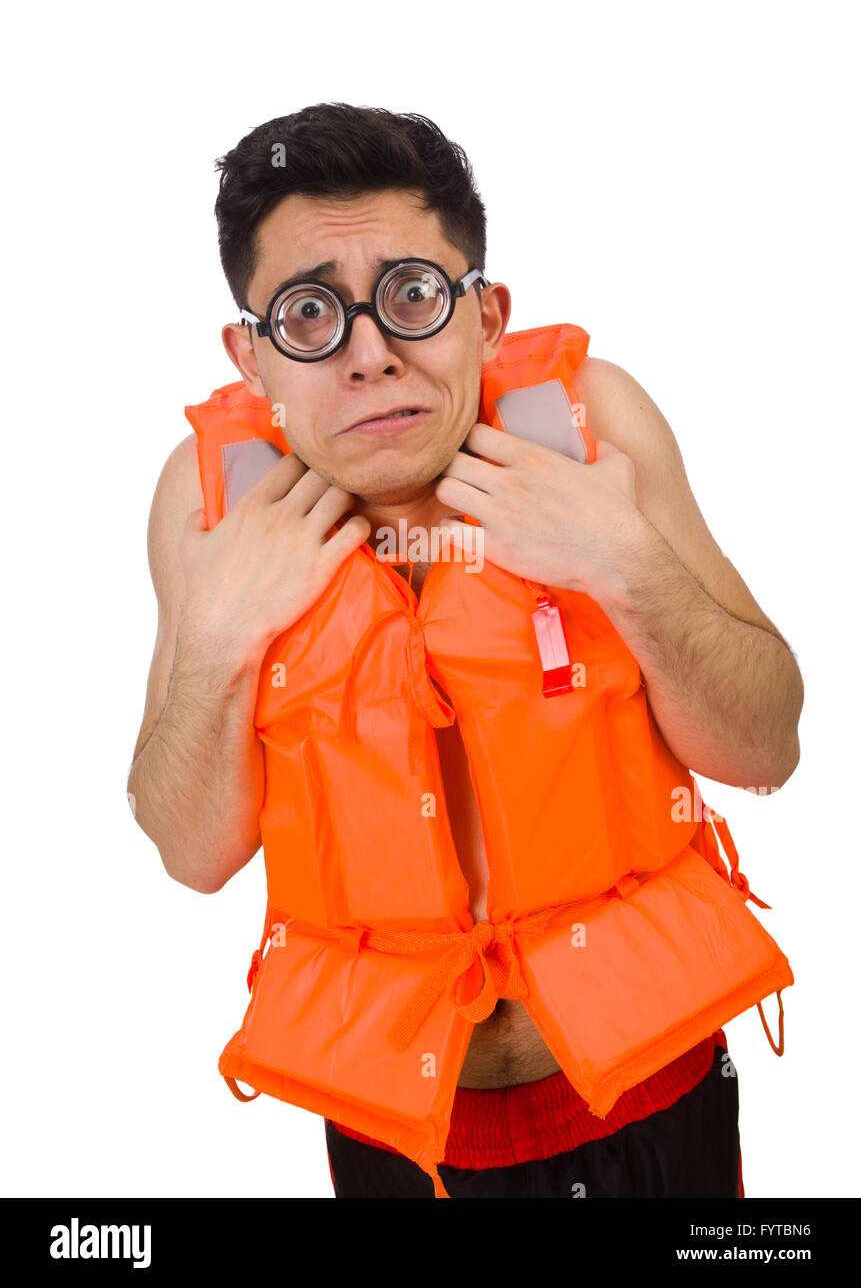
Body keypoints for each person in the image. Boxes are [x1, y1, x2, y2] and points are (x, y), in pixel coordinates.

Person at [127, 102, 802, 1197]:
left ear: (485, 315)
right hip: (402, 1129)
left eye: (411, 295)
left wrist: (624, 562)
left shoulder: (589, 429)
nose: (369, 356)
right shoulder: (212, 510)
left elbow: (768, 742)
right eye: (310, 315)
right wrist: (215, 638)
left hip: (651, 1093)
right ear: (251, 358)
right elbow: (192, 850)